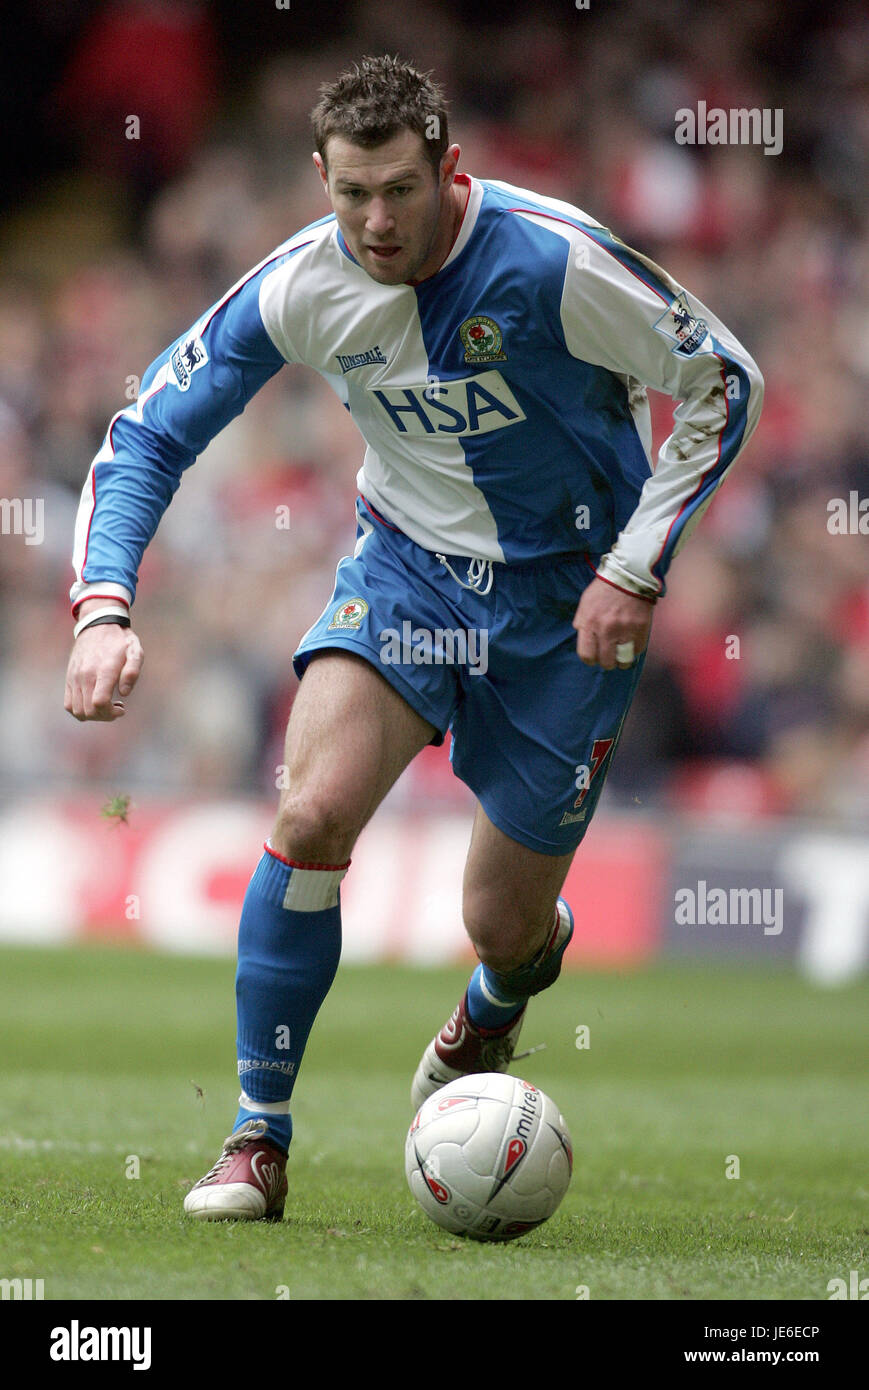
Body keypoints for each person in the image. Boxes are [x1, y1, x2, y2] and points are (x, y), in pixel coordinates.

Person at [64, 55, 764, 1222]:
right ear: (319, 180)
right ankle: (256, 1138)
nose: (375, 222)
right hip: (408, 578)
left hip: (565, 608)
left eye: (399, 190)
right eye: (350, 194)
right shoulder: (300, 283)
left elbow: (722, 382)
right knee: (308, 812)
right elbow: (146, 434)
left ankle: (498, 997)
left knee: (502, 921)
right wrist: (102, 606)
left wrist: (635, 567)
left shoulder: (553, 261)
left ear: (450, 169)